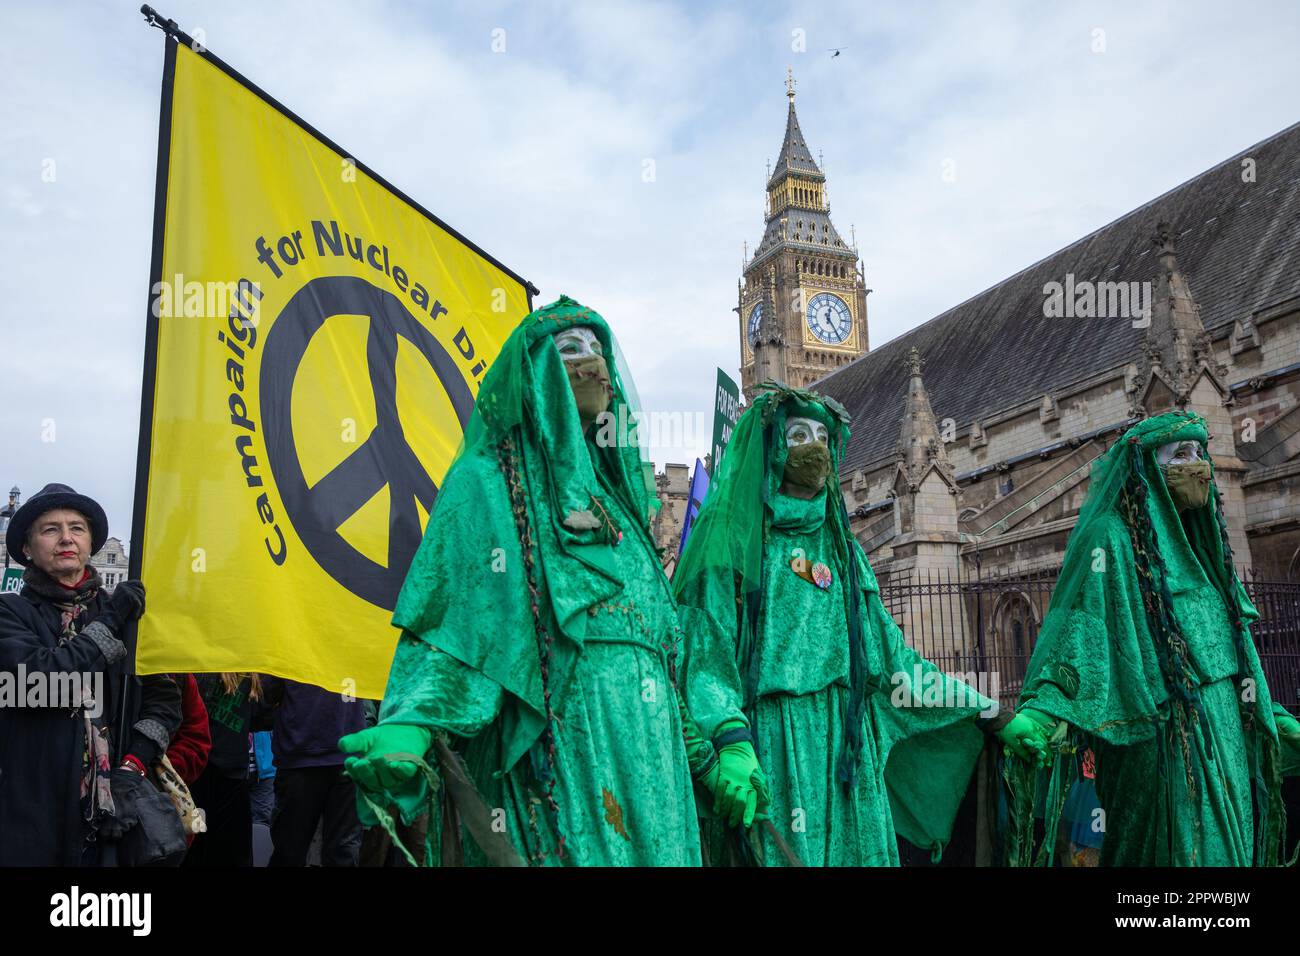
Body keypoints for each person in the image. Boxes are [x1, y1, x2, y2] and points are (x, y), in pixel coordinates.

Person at [339, 296, 705, 865]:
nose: (595, 365)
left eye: (598, 349)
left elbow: (667, 655)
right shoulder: (489, 484)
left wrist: (714, 749)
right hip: (563, 769)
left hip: (656, 780)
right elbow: (460, 626)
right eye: (570, 350)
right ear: (534, 373)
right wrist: (413, 722)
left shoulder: (625, 514)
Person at [673, 385, 1027, 866]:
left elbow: (894, 661)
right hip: (773, 747)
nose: (815, 447)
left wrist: (988, 711)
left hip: (848, 755)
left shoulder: (844, 551)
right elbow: (704, 659)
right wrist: (730, 740)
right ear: (771, 445)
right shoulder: (733, 544)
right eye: (799, 434)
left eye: (823, 435)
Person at [1002, 411, 1300, 865]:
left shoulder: (1204, 550)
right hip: (1161, 750)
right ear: (1145, 468)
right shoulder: (1112, 538)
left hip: (1226, 747)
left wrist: (1272, 716)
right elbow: (1082, 633)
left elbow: (1238, 659)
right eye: (1180, 454)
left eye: (1200, 451)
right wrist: (1047, 711)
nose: (1197, 464)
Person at [0, 483, 181, 865]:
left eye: (77, 528)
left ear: (91, 542)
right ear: (28, 549)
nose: (66, 538)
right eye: (50, 529)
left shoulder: (124, 614)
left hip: (112, 818)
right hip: (31, 815)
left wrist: (131, 770)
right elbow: (39, 683)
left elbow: (164, 702)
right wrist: (111, 623)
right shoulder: (11, 612)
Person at [261, 677, 365, 866]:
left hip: (310, 752)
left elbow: (266, 693)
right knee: (340, 852)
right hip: (319, 753)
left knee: (292, 851)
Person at [184, 674, 261, 866]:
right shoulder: (251, 674)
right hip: (223, 771)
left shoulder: (250, 675)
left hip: (208, 771)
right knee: (229, 852)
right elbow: (262, 718)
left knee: (197, 848)